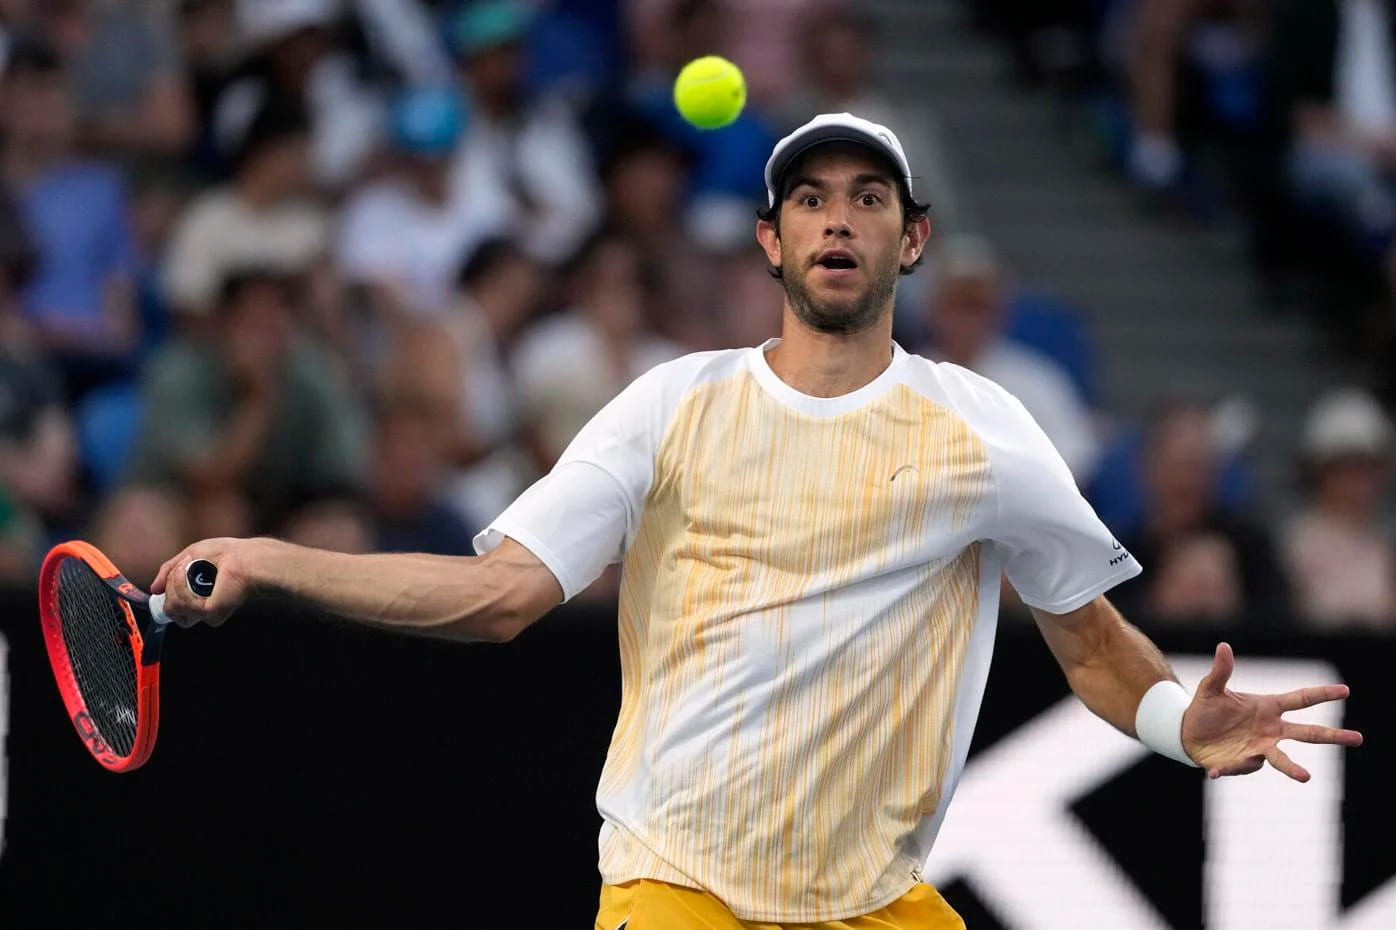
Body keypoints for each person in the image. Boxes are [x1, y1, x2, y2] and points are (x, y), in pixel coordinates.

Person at [149, 113, 1364, 930]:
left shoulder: (986, 432)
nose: (840, 220)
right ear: (770, 241)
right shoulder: (668, 407)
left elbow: (1089, 641)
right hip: (682, 889)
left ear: (913, 237)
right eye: (813, 202)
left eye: (870, 198)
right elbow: (499, 595)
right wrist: (270, 560)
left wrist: (1168, 721)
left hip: (874, 901)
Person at [1282, 387, 1396, 629]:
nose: (1356, 483)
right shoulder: (1297, 543)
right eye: (1345, 469)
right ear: (1321, 473)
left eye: (1366, 469)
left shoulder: (1385, 545)